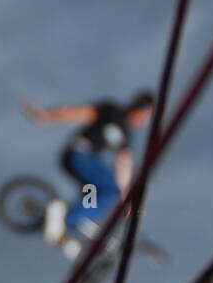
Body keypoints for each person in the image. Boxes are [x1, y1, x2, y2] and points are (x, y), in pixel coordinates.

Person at [20, 91, 155, 259]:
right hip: (79, 154)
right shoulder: (112, 112)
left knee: (91, 198)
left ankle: (67, 223)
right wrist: (45, 116)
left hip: (85, 165)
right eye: (145, 116)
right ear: (140, 109)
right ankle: (64, 220)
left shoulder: (126, 135)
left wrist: (127, 199)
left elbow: (124, 165)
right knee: (111, 190)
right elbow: (79, 113)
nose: (144, 122)